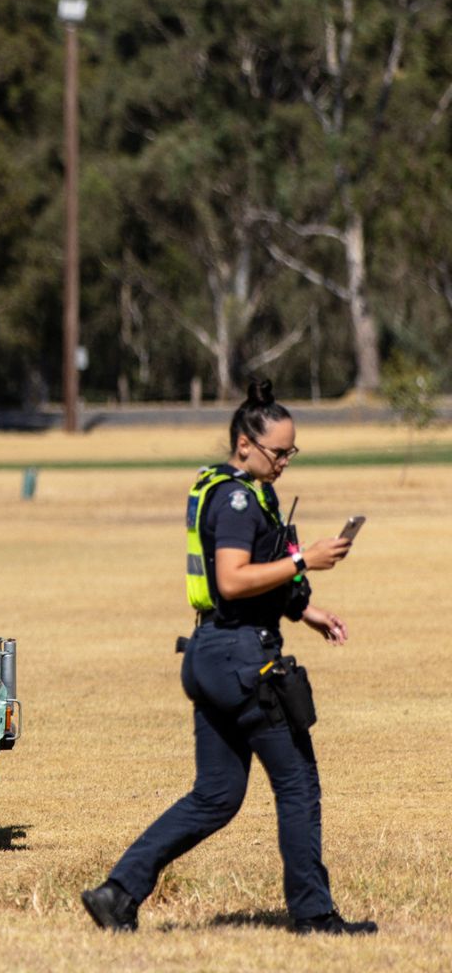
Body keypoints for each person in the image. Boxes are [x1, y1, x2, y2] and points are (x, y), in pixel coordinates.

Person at [81, 380, 376, 936]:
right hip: (243, 659)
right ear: (244, 444)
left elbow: (246, 587)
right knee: (297, 784)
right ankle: (314, 915)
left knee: (216, 795)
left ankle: (117, 892)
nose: (286, 460)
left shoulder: (241, 491)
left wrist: (308, 611)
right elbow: (233, 579)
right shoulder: (238, 499)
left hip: (212, 653)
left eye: (292, 452)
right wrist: (303, 560)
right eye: (278, 451)